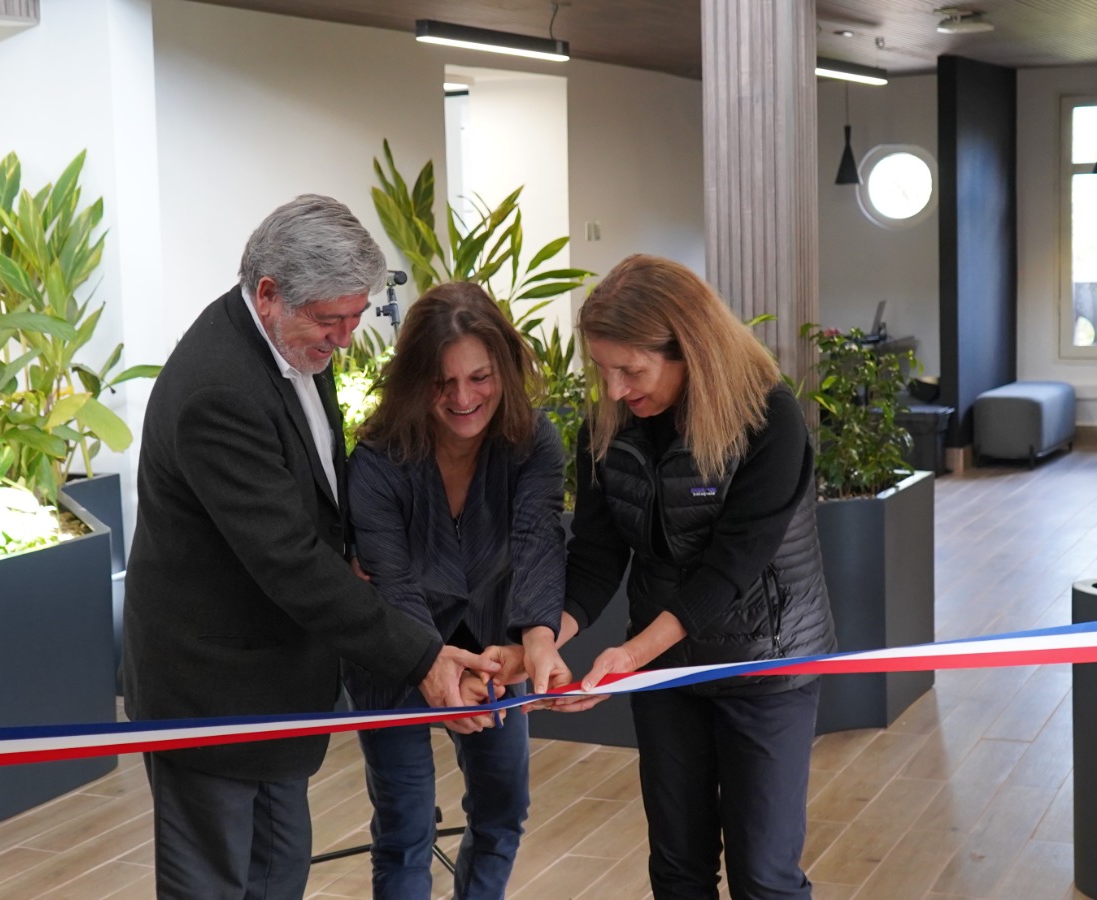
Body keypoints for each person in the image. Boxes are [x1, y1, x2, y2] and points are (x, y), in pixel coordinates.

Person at [122, 194, 499, 899]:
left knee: (279, 872)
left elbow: (320, 493)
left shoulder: (296, 343)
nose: (344, 340)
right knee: (213, 883)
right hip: (213, 695)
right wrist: (420, 656)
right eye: (332, 321)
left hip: (276, 686)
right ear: (269, 294)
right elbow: (289, 559)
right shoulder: (219, 390)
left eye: (356, 318)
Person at [532, 253, 837, 899]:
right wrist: (545, 636)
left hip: (765, 667)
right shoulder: (607, 429)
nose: (614, 390)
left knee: (765, 877)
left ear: (689, 350)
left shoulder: (769, 420)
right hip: (666, 676)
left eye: (631, 370)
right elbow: (594, 555)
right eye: (603, 370)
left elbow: (732, 565)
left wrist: (630, 656)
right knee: (678, 868)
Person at [344, 282, 569, 900]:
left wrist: (537, 642)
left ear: (506, 370)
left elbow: (537, 543)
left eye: (480, 377)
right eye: (444, 383)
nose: (464, 398)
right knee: (406, 829)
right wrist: (433, 670)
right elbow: (393, 582)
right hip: (397, 653)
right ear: (416, 381)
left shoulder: (533, 443)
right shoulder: (378, 461)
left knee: (502, 812)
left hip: (494, 652)